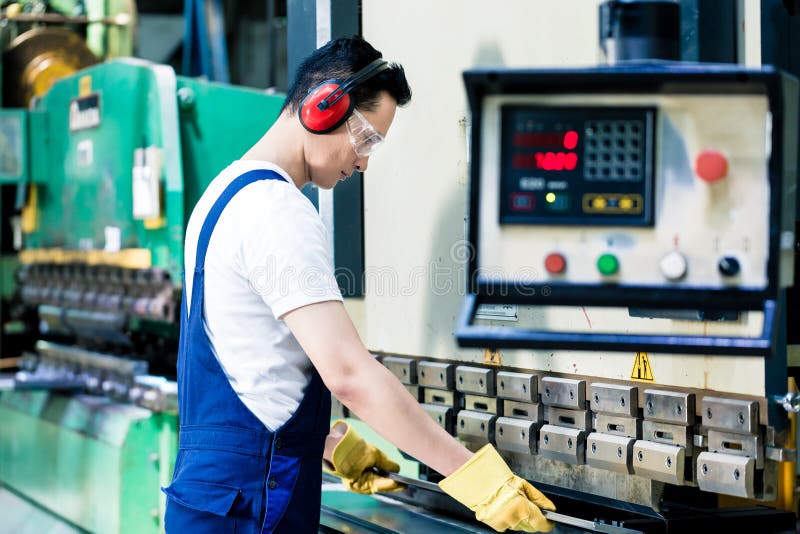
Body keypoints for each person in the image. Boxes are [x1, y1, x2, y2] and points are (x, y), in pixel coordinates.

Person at [163, 35, 556, 533]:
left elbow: (251, 365)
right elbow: (349, 374)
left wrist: (329, 446)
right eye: (366, 139)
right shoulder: (276, 210)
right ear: (323, 106)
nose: (365, 162)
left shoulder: (223, 193)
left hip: (217, 497)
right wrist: (475, 479)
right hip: (251, 503)